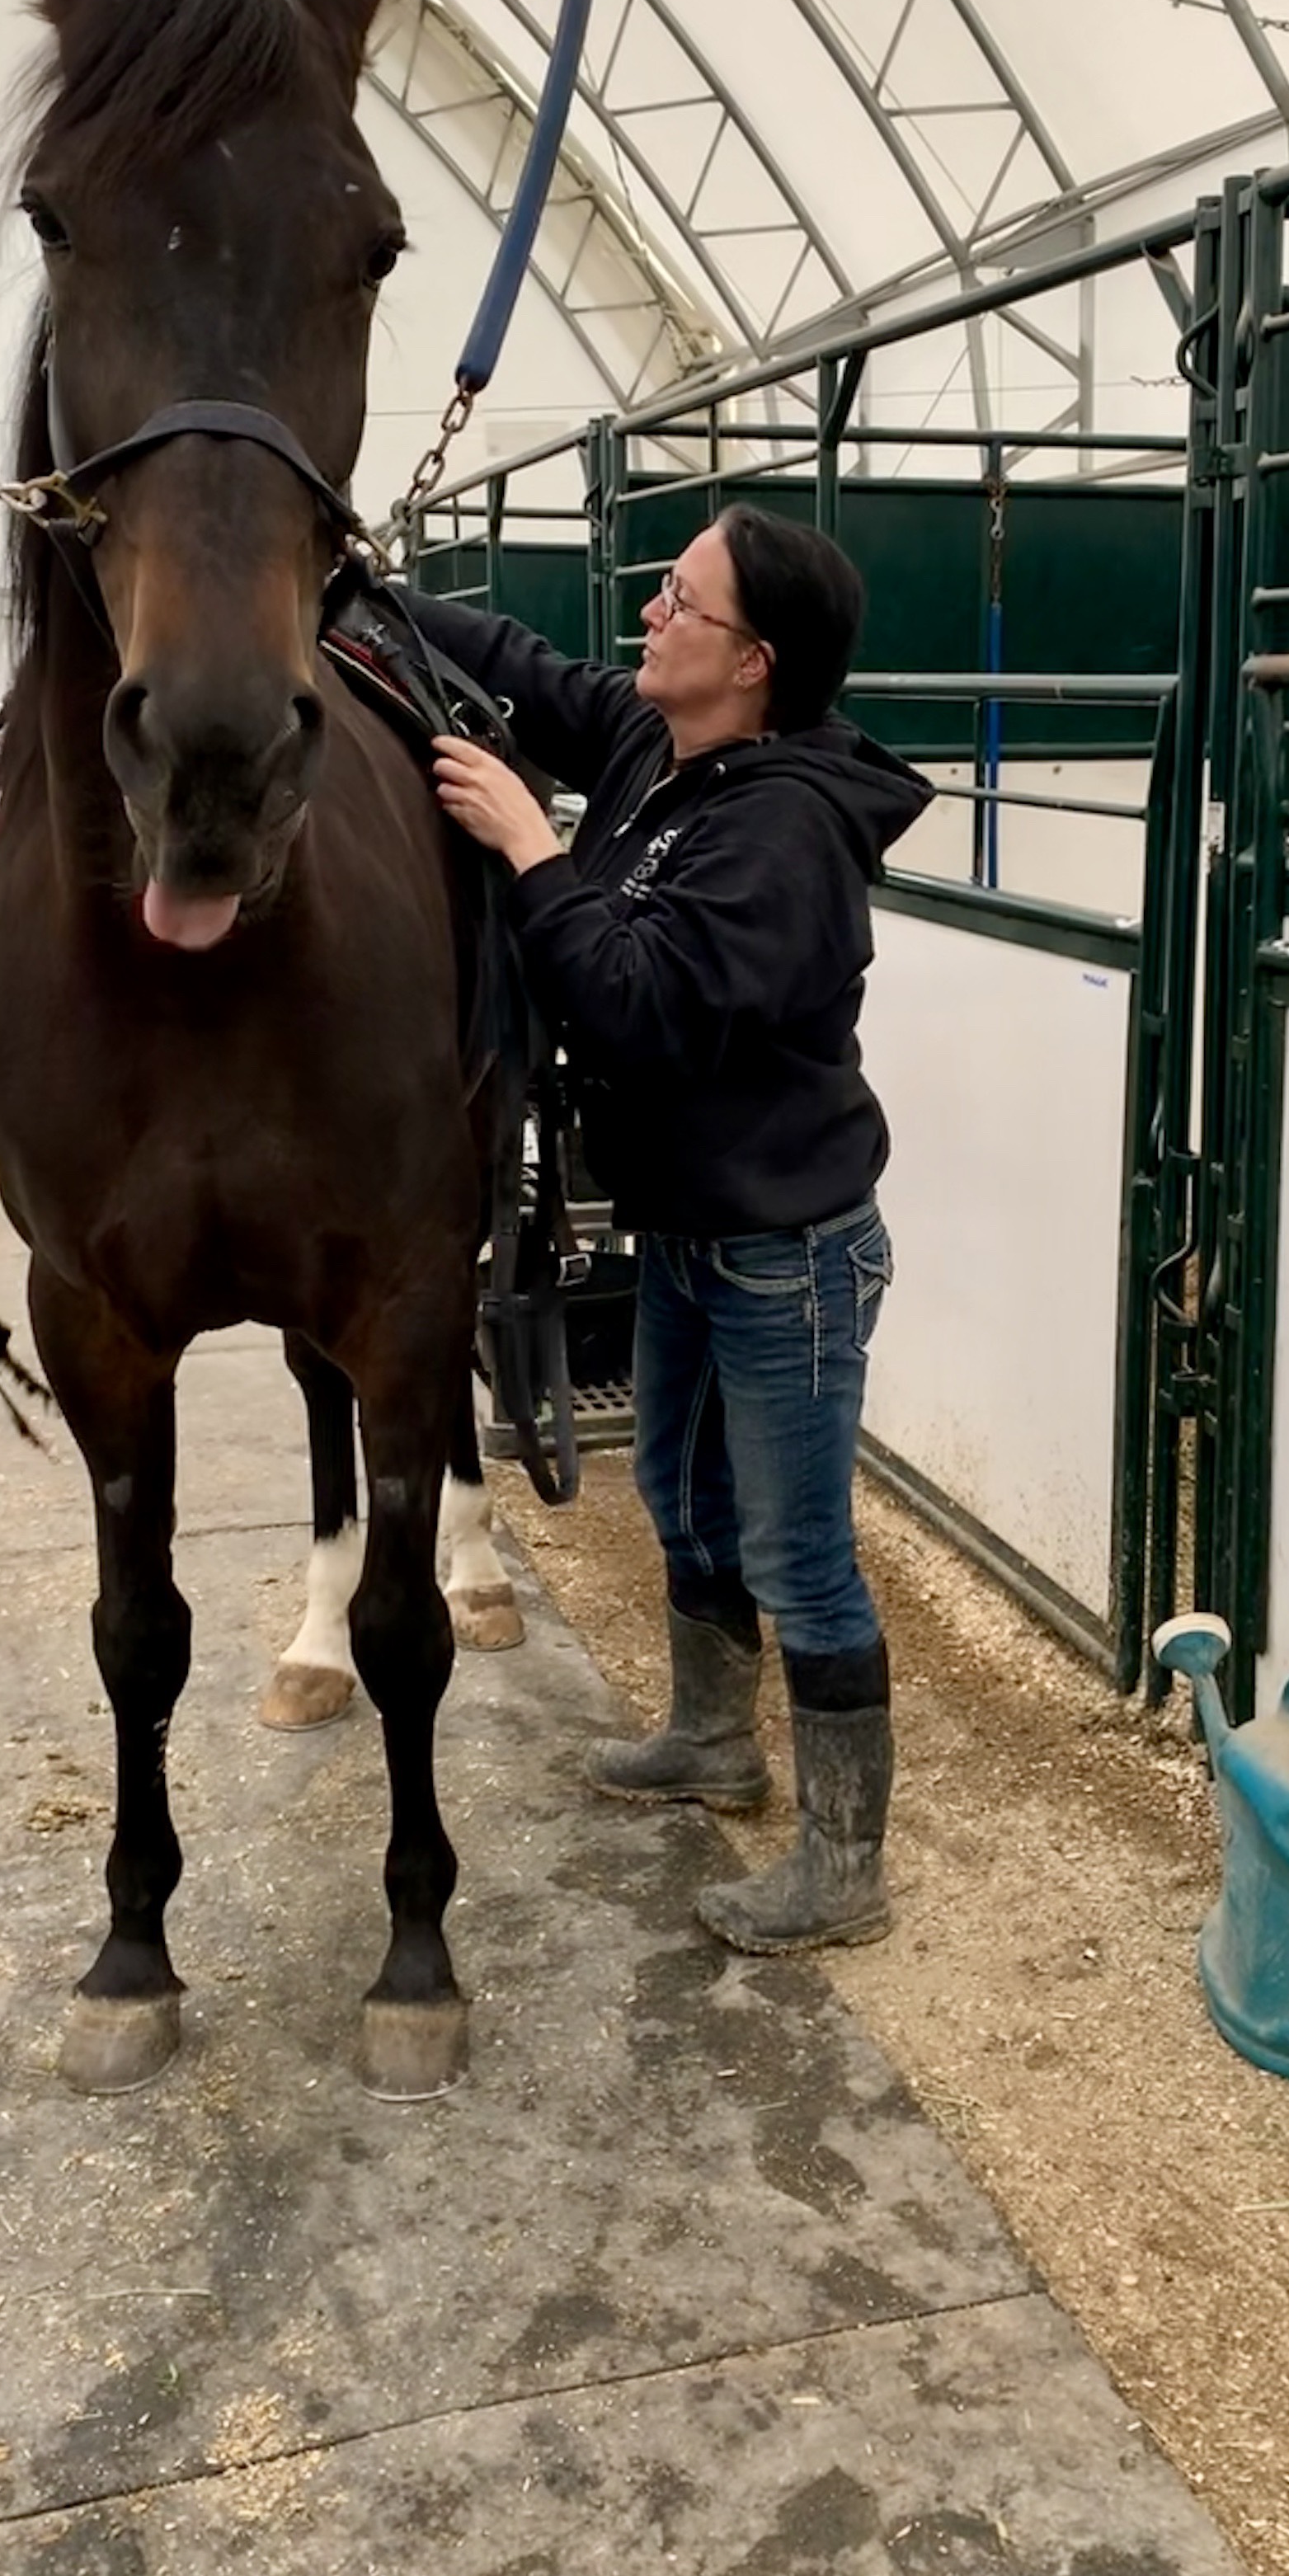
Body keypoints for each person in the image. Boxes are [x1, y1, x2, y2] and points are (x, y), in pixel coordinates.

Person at [412, 505, 932, 1953]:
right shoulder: (665, 743)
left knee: (799, 1548)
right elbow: (532, 672)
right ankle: (714, 1739)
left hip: (786, 1251)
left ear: (753, 661)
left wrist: (532, 847)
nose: (651, 611)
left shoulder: (786, 835)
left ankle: (845, 1867)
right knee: (681, 1494)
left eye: (681, 600)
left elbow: (637, 1007)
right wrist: (361, 588)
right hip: (693, 1230)